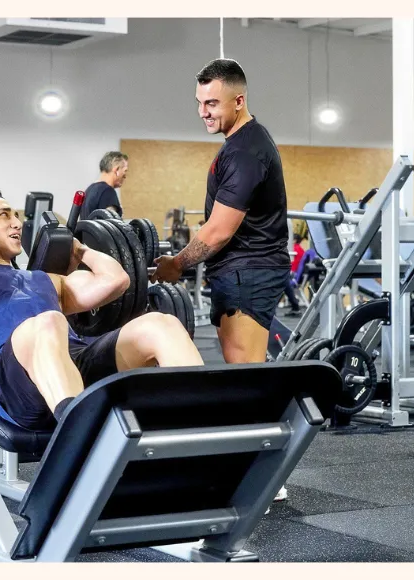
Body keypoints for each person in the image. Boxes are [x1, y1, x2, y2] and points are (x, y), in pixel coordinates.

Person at [0, 189, 203, 430]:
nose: (16, 223)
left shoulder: (46, 280)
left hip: (72, 364)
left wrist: (79, 248)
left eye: (16, 216)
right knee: (47, 322)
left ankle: (208, 422)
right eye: (4, 215)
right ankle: (79, 437)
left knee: (161, 324)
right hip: (18, 388)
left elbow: (117, 281)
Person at [151, 58, 291, 364]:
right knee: (241, 368)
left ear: (238, 101)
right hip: (240, 271)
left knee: (245, 372)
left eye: (212, 103)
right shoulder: (240, 143)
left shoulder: (245, 152)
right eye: (200, 103)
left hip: (249, 272)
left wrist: (177, 263)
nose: (203, 112)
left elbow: (218, 232)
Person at [79, 152, 129, 219]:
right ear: (117, 169)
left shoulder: (89, 189)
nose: (125, 176)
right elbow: (111, 225)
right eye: (125, 171)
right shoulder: (108, 191)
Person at [283, 233, 305, 316]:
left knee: (283, 280)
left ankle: (295, 306)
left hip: (293, 274)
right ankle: (295, 306)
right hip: (293, 273)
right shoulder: (300, 249)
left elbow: (292, 264)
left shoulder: (295, 249)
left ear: (294, 240)